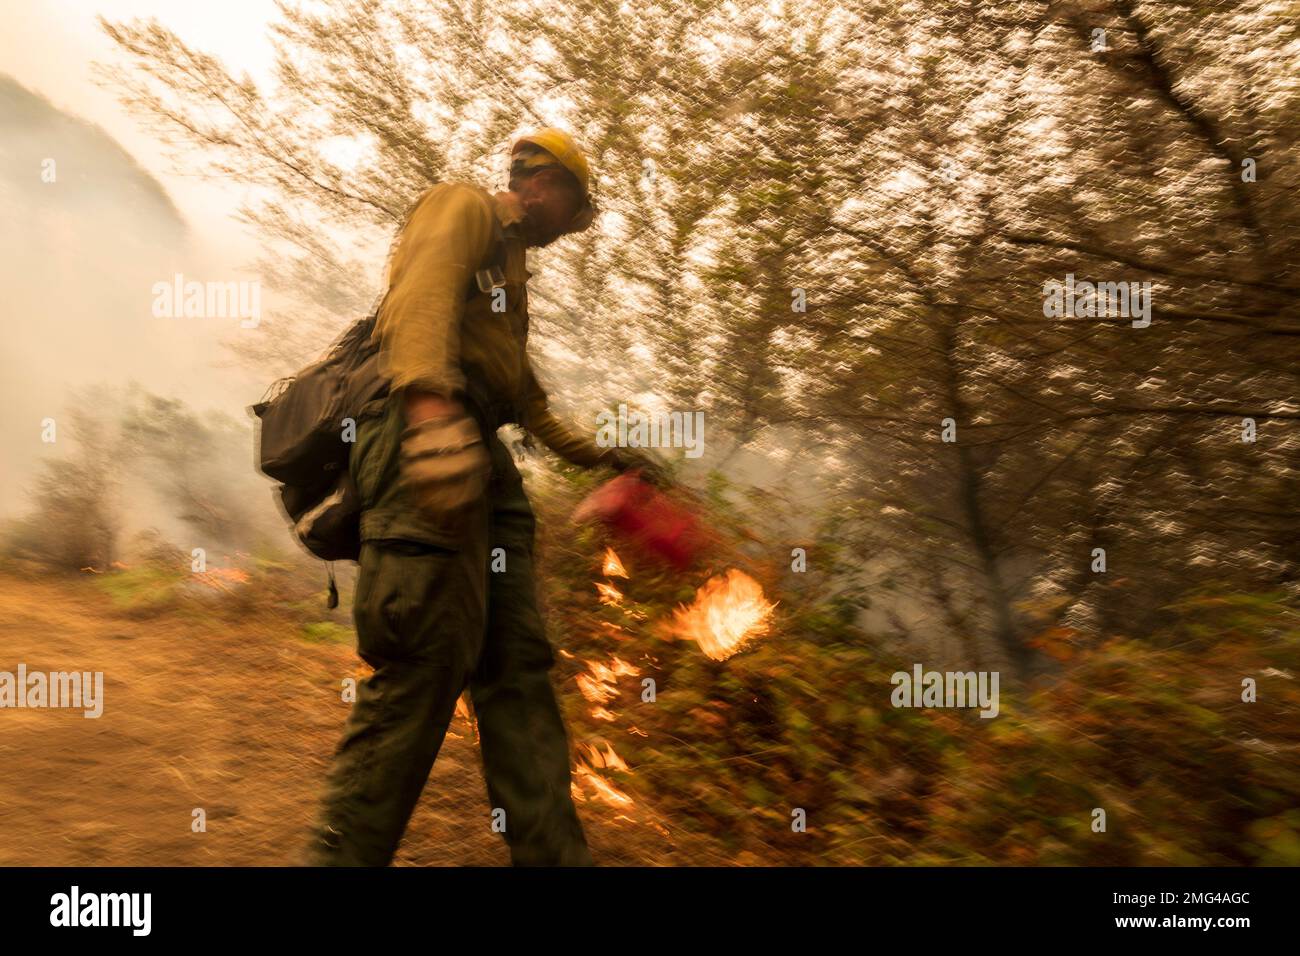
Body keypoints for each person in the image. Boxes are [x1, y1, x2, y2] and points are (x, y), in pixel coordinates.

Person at [306, 129, 658, 866]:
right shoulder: (461, 207)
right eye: (574, 204)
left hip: (480, 458)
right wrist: (431, 413)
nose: (572, 224)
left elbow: (527, 400)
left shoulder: (511, 278)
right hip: (419, 434)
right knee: (424, 660)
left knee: (516, 669)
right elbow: (421, 300)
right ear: (541, 182)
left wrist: (601, 457)